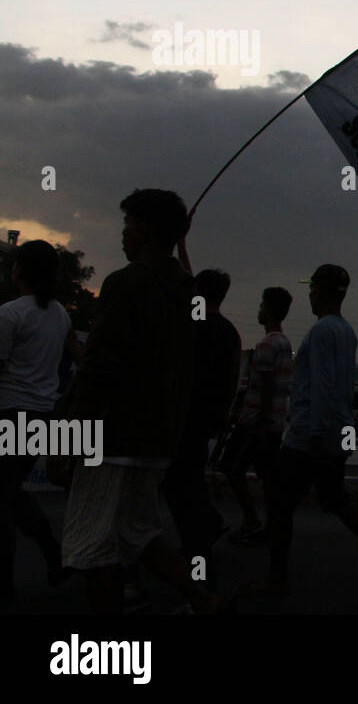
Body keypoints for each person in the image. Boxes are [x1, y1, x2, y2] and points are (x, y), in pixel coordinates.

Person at [60, 189, 222, 614]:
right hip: (156, 437)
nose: (123, 234)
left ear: (144, 229)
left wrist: (72, 435)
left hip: (113, 434)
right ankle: (203, 599)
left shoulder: (126, 283)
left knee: (95, 544)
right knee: (137, 531)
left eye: (128, 225)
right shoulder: (187, 291)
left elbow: (99, 368)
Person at [247, 263, 358, 597]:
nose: (310, 295)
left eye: (312, 289)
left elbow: (322, 387)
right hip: (337, 428)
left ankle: (276, 578)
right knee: (335, 499)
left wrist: (314, 434)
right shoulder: (346, 331)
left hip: (310, 434)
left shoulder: (321, 331)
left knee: (281, 502)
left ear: (322, 292)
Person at [0, 240, 75, 605]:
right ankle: (52, 555)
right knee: (9, 492)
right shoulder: (60, 314)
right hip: (41, 417)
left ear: (20, 272)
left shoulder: (10, 314)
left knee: (5, 496)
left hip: (12, 414)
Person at [163, 267, 240, 567]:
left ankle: (197, 546)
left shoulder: (189, 325)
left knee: (178, 484)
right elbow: (233, 378)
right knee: (190, 478)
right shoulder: (230, 332)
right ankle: (204, 529)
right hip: (209, 416)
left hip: (183, 413)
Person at [222, 287, 294, 543]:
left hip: (255, 423)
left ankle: (253, 520)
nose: (259, 310)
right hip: (273, 423)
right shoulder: (284, 343)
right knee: (267, 476)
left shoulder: (266, 344)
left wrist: (257, 424)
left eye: (262, 306)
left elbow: (263, 387)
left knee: (231, 467)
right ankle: (270, 524)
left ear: (269, 310)